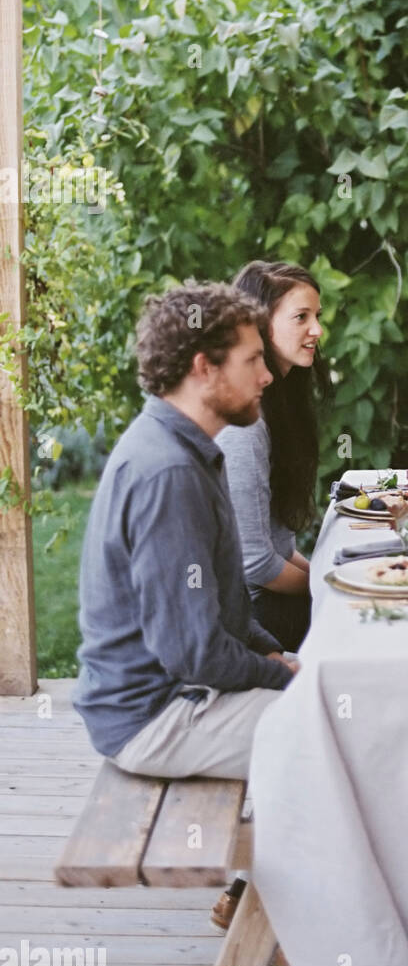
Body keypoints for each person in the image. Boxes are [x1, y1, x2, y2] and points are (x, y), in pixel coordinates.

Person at [74, 282, 297, 784]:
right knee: (343, 733)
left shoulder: (188, 447)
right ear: (204, 367)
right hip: (154, 717)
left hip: (177, 692)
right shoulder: (170, 472)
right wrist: (281, 675)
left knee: (351, 694)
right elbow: (193, 652)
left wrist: (271, 653)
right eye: (252, 360)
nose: (266, 376)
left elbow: (224, 611)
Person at [215, 261, 327, 653]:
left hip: (264, 598)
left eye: (317, 316)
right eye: (302, 317)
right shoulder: (245, 427)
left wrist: (327, 584)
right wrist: (330, 592)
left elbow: (279, 545)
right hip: (243, 615)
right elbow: (256, 565)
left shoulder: (280, 405)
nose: (317, 330)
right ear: (261, 325)